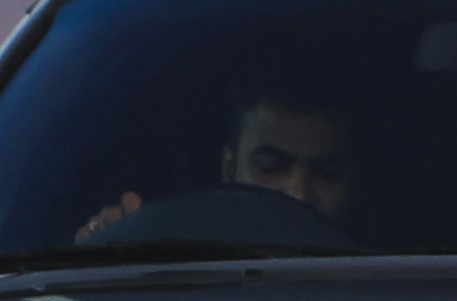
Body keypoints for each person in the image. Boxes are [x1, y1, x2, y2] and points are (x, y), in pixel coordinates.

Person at [79, 74, 356, 241]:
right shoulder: (168, 267)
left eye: (328, 173)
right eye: (270, 167)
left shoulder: (381, 282)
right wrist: (105, 248)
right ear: (229, 167)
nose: (299, 194)